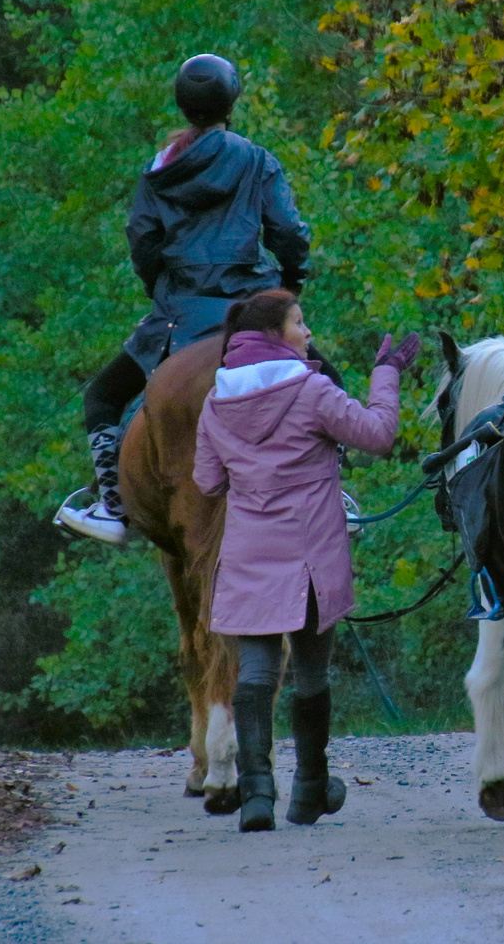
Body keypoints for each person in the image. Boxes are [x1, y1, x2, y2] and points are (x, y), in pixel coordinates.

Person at [56, 53, 345, 544]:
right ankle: (334, 497)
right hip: (252, 313)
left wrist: (164, 292)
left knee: (102, 397)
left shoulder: (158, 173)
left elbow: (141, 240)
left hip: (178, 316)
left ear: (183, 105)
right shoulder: (256, 161)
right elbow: (290, 235)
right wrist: (289, 286)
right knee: (332, 387)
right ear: (231, 101)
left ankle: (112, 507)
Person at [193, 290, 421, 832]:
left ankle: (255, 795)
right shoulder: (314, 390)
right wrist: (385, 373)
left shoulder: (216, 402)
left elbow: (207, 482)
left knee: (255, 670)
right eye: (300, 322)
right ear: (275, 335)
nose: (308, 331)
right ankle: (310, 791)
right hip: (312, 555)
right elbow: (379, 435)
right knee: (311, 672)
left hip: (249, 555)